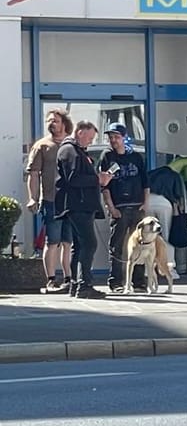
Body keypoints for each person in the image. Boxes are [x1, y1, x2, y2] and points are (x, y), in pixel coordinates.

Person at [55, 121, 106, 299]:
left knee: (80, 245)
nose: (91, 142)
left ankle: (76, 284)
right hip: (78, 205)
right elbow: (73, 179)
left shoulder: (77, 151)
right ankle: (84, 284)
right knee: (89, 243)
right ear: (79, 133)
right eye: (90, 137)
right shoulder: (70, 151)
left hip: (82, 205)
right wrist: (97, 179)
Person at [25, 109, 72, 293]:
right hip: (51, 200)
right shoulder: (42, 146)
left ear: (64, 123)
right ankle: (51, 279)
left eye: (55, 121)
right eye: (49, 121)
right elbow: (33, 174)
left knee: (68, 242)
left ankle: (69, 278)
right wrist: (33, 198)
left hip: (71, 201)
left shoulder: (71, 144)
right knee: (52, 241)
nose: (52, 124)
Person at [100, 123, 149, 293]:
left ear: (124, 137)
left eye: (116, 137)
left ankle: (139, 281)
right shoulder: (107, 156)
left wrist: (145, 202)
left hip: (137, 206)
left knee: (139, 245)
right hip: (119, 207)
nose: (113, 140)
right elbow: (104, 186)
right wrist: (111, 207)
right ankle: (116, 282)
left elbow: (145, 181)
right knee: (117, 246)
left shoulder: (136, 157)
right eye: (111, 137)